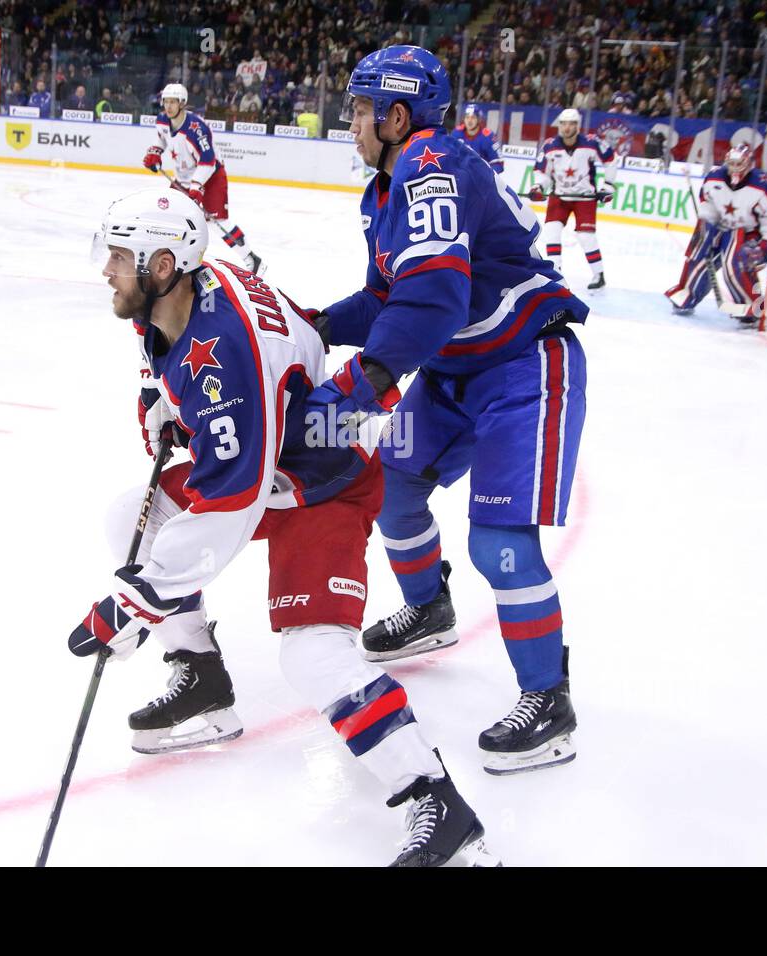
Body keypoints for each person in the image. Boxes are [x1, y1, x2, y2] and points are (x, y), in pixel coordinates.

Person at [70, 186, 497, 867]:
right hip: (272, 462)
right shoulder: (189, 289)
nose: (106, 270)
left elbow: (229, 504)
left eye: (118, 257)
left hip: (325, 487)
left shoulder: (225, 354)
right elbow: (195, 373)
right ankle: (203, 678)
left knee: (312, 655)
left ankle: (436, 802)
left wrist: (133, 604)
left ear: (159, 266)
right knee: (134, 515)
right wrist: (163, 399)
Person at [307, 45, 588, 777]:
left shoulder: (431, 164)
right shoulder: (389, 185)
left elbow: (432, 299)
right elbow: (386, 299)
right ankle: (429, 611)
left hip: (522, 366)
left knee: (499, 543)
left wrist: (357, 385)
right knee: (395, 488)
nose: (354, 122)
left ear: (399, 116)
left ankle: (548, 701)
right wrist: (316, 323)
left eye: (364, 109)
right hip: (457, 369)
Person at [144, 82, 261, 274]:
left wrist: (197, 187)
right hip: (183, 179)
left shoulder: (196, 129)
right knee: (171, 215)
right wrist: (155, 152)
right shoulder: (163, 121)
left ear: (182, 103)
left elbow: (208, 161)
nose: (168, 106)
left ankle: (251, 259)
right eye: (166, 102)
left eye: (173, 102)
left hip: (211, 176)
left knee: (217, 222)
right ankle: (173, 260)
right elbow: (161, 140)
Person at [664, 143, 767, 322]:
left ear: (748, 164)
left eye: (738, 163)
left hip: (746, 232)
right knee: (699, 258)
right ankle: (687, 296)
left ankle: (751, 306)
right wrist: (707, 226)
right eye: (731, 163)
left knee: (735, 265)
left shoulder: (762, 185)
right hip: (717, 226)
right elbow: (708, 204)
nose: (734, 168)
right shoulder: (714, 178)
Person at [529, 108, 618, 291]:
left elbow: (611, 160)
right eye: (563, 124)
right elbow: (542, 172)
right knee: (552, 232)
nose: (566, 127)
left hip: (584, 198)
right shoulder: (549, 145)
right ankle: (556, 273)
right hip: (559, 196)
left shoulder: (592, 143)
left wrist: (608, 186)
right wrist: (538, 187)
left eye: (571, 124)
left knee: (586, 237)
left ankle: (598, 274)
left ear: (577, 126)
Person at [449, 103, 503, 173]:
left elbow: (498, 164)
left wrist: (485, 175)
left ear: (479, 119)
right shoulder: (456, 133)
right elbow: (449, 156)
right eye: (467, 117)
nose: (469, 121)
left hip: (481, 177)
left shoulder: (488, 136)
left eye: (473, 117)